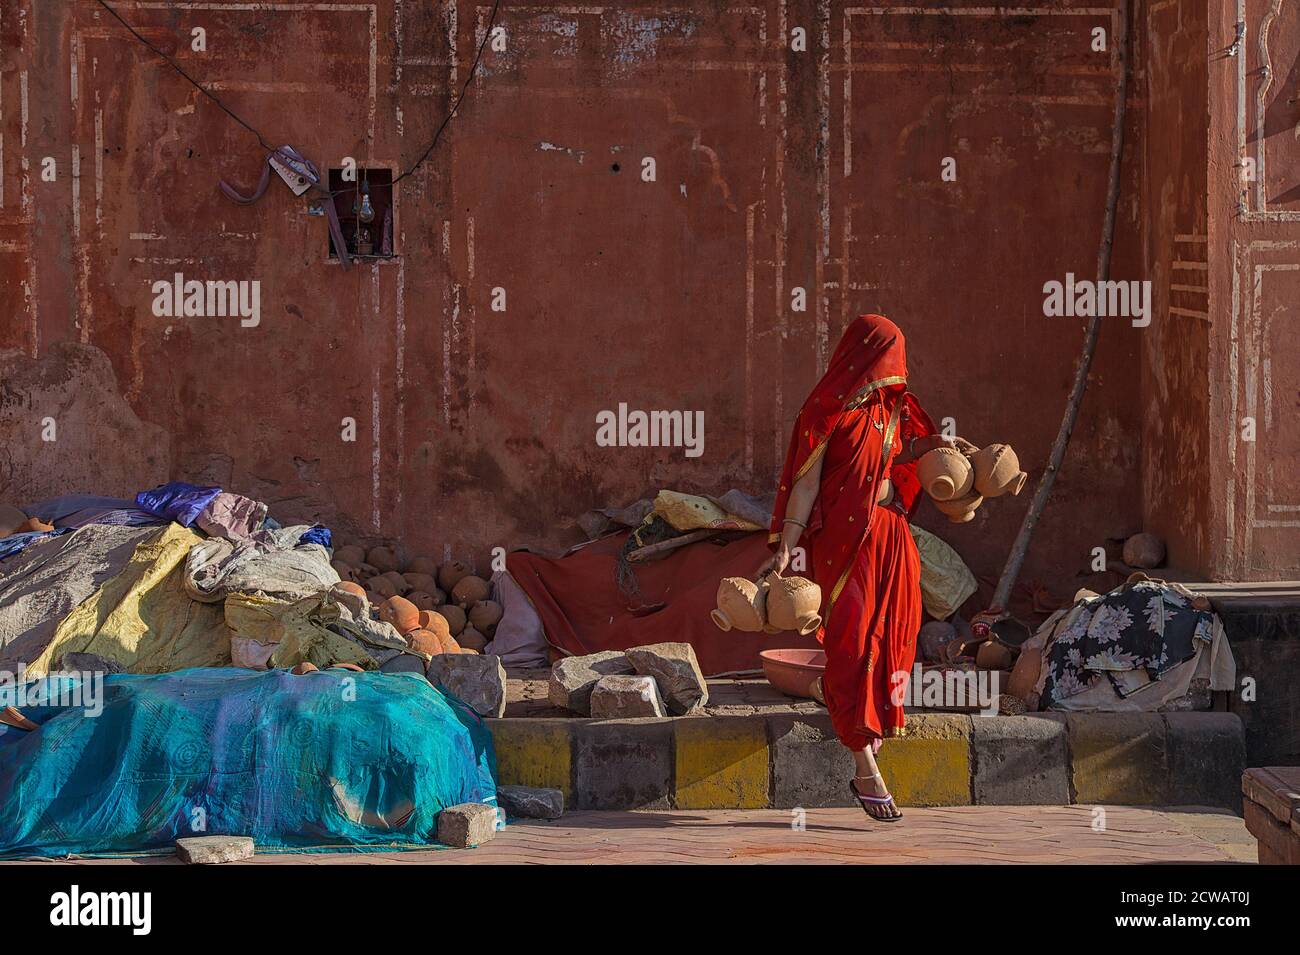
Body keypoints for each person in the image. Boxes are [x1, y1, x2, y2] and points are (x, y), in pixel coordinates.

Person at [757, 314, 973, 821]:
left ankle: (869, 738)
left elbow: (901, 453)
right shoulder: (823, 412)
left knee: (897, 636)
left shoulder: (891, 408)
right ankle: (861, 763)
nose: (898, 367)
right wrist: (787, 544)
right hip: (845, 542)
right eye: (891, 355)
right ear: (866, 355)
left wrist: (938, 446)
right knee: (852, 644)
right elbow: (804, 483)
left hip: (890, 534)